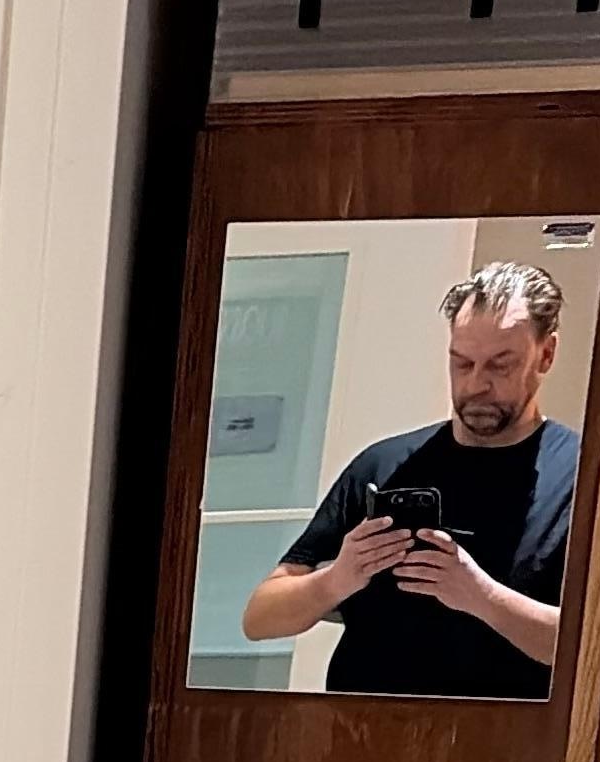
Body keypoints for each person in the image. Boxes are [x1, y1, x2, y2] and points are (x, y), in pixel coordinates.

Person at [239, 260, 578, 699]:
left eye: (501, 365)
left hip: (503, 737)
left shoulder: (582, 477)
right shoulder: (382, 466)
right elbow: (259, 619)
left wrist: (481, 597)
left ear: (546, 354)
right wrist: (339, 578)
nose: (476, 384)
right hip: (359, 731)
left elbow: (596, 649)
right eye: (462, 363)